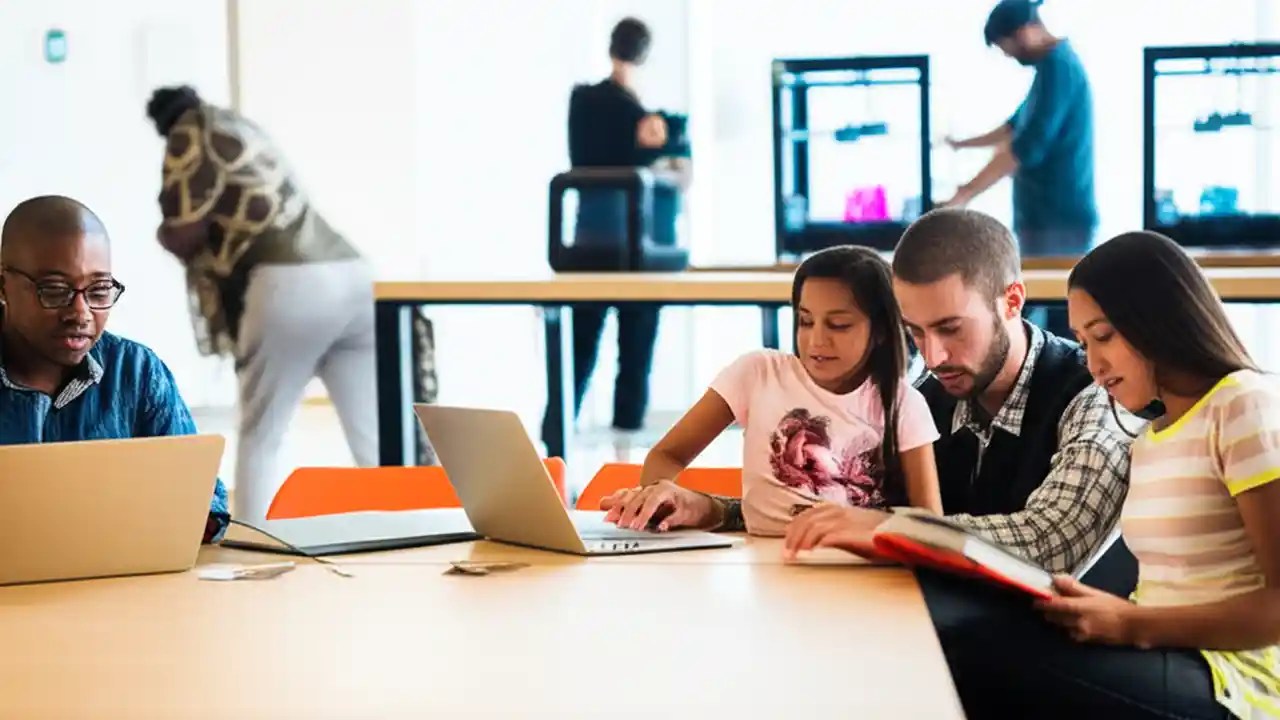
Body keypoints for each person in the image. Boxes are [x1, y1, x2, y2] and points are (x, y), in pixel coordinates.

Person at [930, 230, 1280, 719]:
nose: (1094, 365)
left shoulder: (1243, 404)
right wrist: (1099, 610)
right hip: (1164, 653)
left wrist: (1131, 623)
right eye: (1082, 342)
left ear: (1157, 319)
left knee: (973, 654)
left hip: (1233, 681)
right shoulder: (1152, 436)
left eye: (1104, 337)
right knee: (963, 627)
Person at [784, 208, 1134, 594]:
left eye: (950, 329)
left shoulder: (1096, 396)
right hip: (942, 629)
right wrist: (721, 510)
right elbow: (846, 498)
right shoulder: (925, 400)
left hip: (1060, 647)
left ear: (1012, 301)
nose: (934, 358)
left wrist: (897, 528)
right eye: (915, 332)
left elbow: (1048, 543)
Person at [146, 85, 378, 524]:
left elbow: (182, 229)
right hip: (353, 273)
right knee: (374, 437)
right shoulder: (239, 126)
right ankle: (410, 532)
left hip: (289, 282)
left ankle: (254, 543)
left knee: (262, 432)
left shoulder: (189, 132)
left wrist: (163, 234)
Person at [599, 246, 942, 536]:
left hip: (861, 574)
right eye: (805, 321)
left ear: (881, 331)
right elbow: (667, 455)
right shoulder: (758, 373)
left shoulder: (904, 404)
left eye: (839, 325)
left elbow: (930, 525)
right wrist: (655, 502)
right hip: (760, 566)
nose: (816, 340)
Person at [0, 195, 229, 542]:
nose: (81, 314)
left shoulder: (137, 373)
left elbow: (205, 504)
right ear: (3, 285)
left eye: (99, 289)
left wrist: (183, 517)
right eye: (55, 290)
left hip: (116, 587)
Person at [555, 17, 690, 435]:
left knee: (582, 355)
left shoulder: (593, 107)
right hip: (629, 249)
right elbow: (678, 171)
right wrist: (655, 141)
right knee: (630, 359)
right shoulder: (637, 116)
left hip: (599, 245)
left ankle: (561, 450)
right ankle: (615, 457)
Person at [941, 0, 1097, 259]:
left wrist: (964, 194)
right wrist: (959, 145)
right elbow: (1012, 128)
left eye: (1006, 48)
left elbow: (1026, 148)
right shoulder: (1049, 69)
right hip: (1042, 220)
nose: (1009, 56)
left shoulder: (1060, 68)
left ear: (1023, 32)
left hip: (1057, 222)